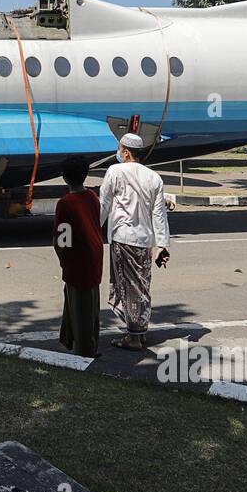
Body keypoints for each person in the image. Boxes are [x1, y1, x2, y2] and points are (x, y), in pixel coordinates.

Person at [99, 134, 171, 352]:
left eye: (120, 149)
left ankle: (133, 337)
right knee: (141, 286)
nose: (119, 153)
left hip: (123, 237)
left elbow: (104, 203)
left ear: (126, 152)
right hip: (145, 241)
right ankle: (139, 331)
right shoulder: (154, 177)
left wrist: (93, 229)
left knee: (128, 288)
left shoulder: (115, 171)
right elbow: (159, 214)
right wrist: (162, 244)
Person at [52, 157, 103, 357]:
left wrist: (63, 260)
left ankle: (84, 351)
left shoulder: (65, 203)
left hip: (77, 261)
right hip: (94, 258)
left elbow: (62, 238)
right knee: (90, 307)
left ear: (64, 178)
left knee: (81, 309)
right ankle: (76, 340)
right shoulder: (92, 196)